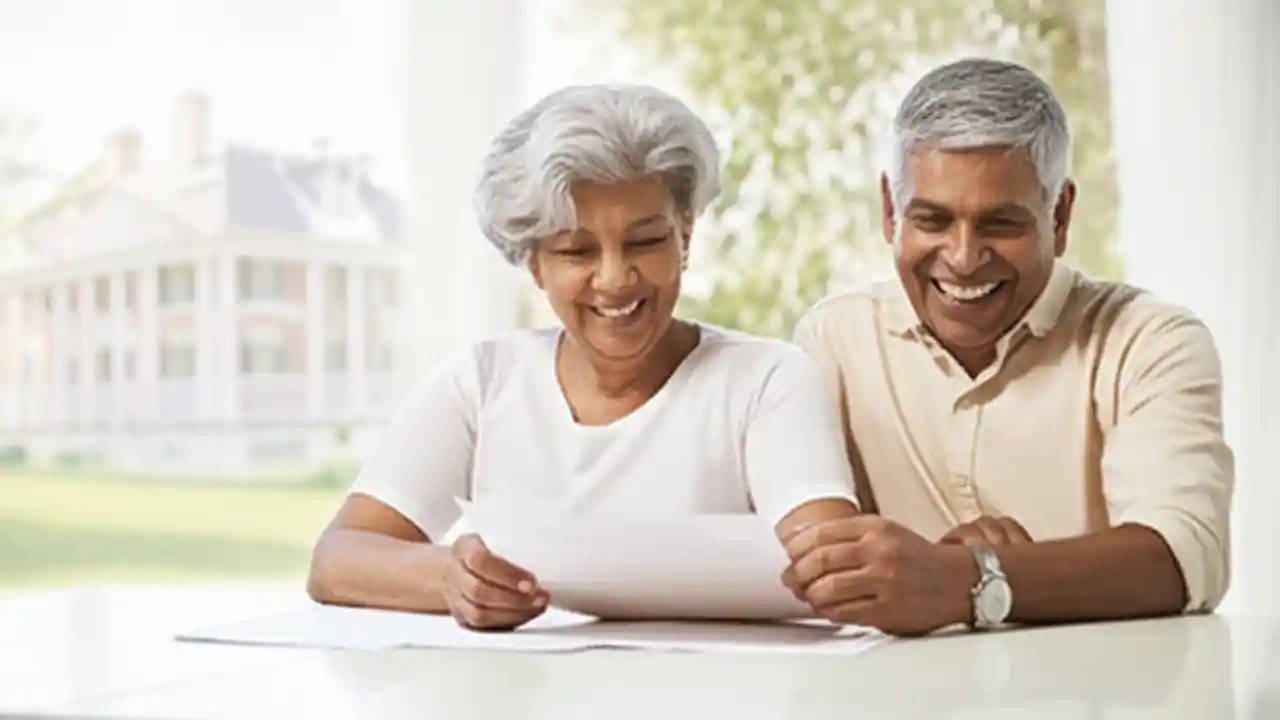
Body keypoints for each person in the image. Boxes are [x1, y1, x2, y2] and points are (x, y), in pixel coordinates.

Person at [308, 84, 858, 630]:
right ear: (535, 264)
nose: (615, 279)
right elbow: (336, 561)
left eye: (645, 242)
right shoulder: (482, 383)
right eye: (577, 251)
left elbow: (835, 570)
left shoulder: (767, 380)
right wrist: (449, 578)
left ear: (685, 239)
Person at [782, 58, 1234, 636]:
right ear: (891, 213)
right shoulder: (833, 341)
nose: (963, 258)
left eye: (1000, 224)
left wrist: (967, 578)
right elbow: (804, 551)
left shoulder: (1148, 342)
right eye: (932, 220)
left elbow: (1181, 557)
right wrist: (967, 573)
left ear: (1060, 216)